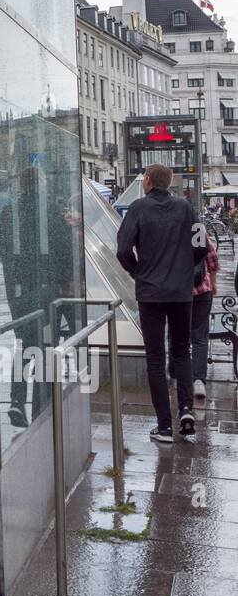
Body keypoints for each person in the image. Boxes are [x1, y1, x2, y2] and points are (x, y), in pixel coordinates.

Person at [117, 163, 208, 444]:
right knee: (182, 351)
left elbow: (122, 249)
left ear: (147, 181)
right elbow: (202, 245)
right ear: (169, 183)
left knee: (155, 358)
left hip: (151, 294)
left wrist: (138, 271)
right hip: (181, 293)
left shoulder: (138, 208)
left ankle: (164, 427)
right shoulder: (186, 208)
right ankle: (186, 411)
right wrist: (183, 269)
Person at [190, 239, 218, 401]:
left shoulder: (171, 228)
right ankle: (198, 380)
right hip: (202, 289)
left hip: (177, 292)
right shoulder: (198, 231)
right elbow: (212, 259)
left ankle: (176, 377)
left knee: (177, 335)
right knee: (200, 337)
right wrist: (213, 284)